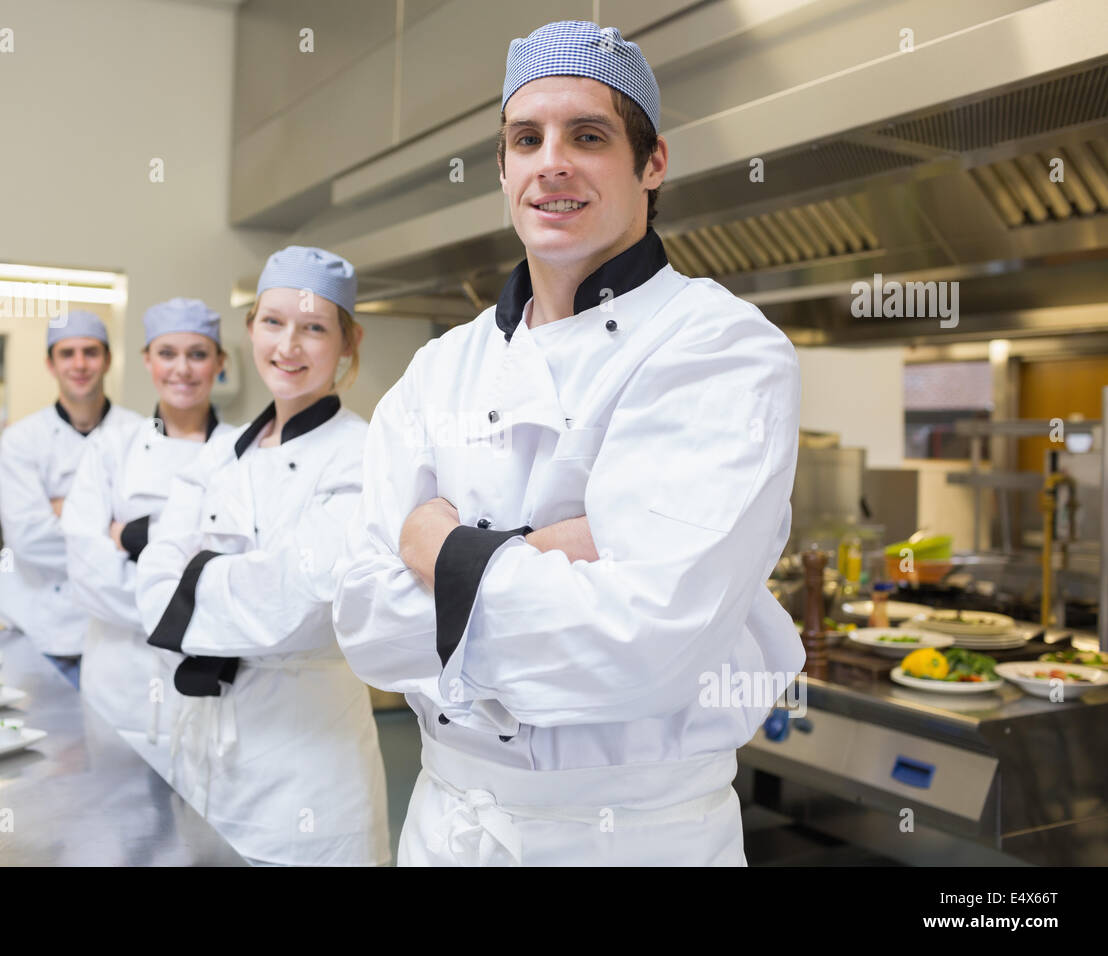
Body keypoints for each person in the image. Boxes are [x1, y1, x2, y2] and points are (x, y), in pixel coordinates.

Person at [333, 20, 803, 866]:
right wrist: (547, 552)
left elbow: (641, 647)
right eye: (527, 138)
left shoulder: (719, 347)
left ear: (651, 163)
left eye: (588, 135)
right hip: (444, 826)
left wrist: (444, 552)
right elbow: (364, 621)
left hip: (635, 837)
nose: (552, 161)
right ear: (505, 169)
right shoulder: (442, 366)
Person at [136, 247, 390, 866]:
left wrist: (195, 573)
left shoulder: (364, 456)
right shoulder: (218, 458)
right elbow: (151, 590)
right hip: (207, 759)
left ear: (348, 341)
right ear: (249, 329)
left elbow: (296, 604)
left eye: (314, 327)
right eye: (273, 322)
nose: (289, 346)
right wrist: (232, 579)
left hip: (310, 769)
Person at [61, 299, 226, 768]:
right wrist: (187, 591)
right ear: (147, 360)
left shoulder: (239, 450)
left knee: (202, 830)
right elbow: (87, 564)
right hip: (120, 679)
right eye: (167, 353)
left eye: (198, 354)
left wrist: (132, 536)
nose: (182, 369)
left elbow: (237, 560)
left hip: (211, 681)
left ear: (220, 362)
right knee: (111, 824)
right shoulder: (114, 447)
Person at [0, 311, 141, 686]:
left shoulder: (139, 433)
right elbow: (27, 539)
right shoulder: (22, 439)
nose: (79, 364)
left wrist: (62, 509)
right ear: (50, 363)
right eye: (67, 353)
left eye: (90, 352)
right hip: (38, 629)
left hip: (116, 630)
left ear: (107, 359)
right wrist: (114, 528)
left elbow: (152, 534)